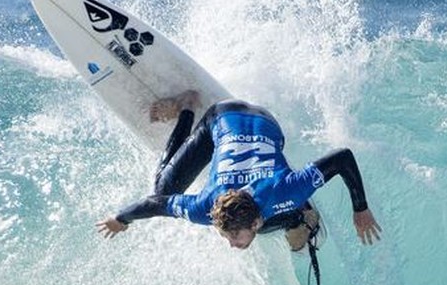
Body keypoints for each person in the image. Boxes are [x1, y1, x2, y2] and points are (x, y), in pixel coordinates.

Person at [96, 90, 381, 250]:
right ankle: (186, 108)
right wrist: (121, 218)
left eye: (232, 236)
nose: (232, 244)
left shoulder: (286, 191)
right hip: (223, 117)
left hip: (257, 119)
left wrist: (361, 208)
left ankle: (187, 107)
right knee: (161, 190)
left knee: (290, 211)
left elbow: (343, 157)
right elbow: (154, 203)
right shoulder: (203, 208)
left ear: (254, 222)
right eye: (230, 236)